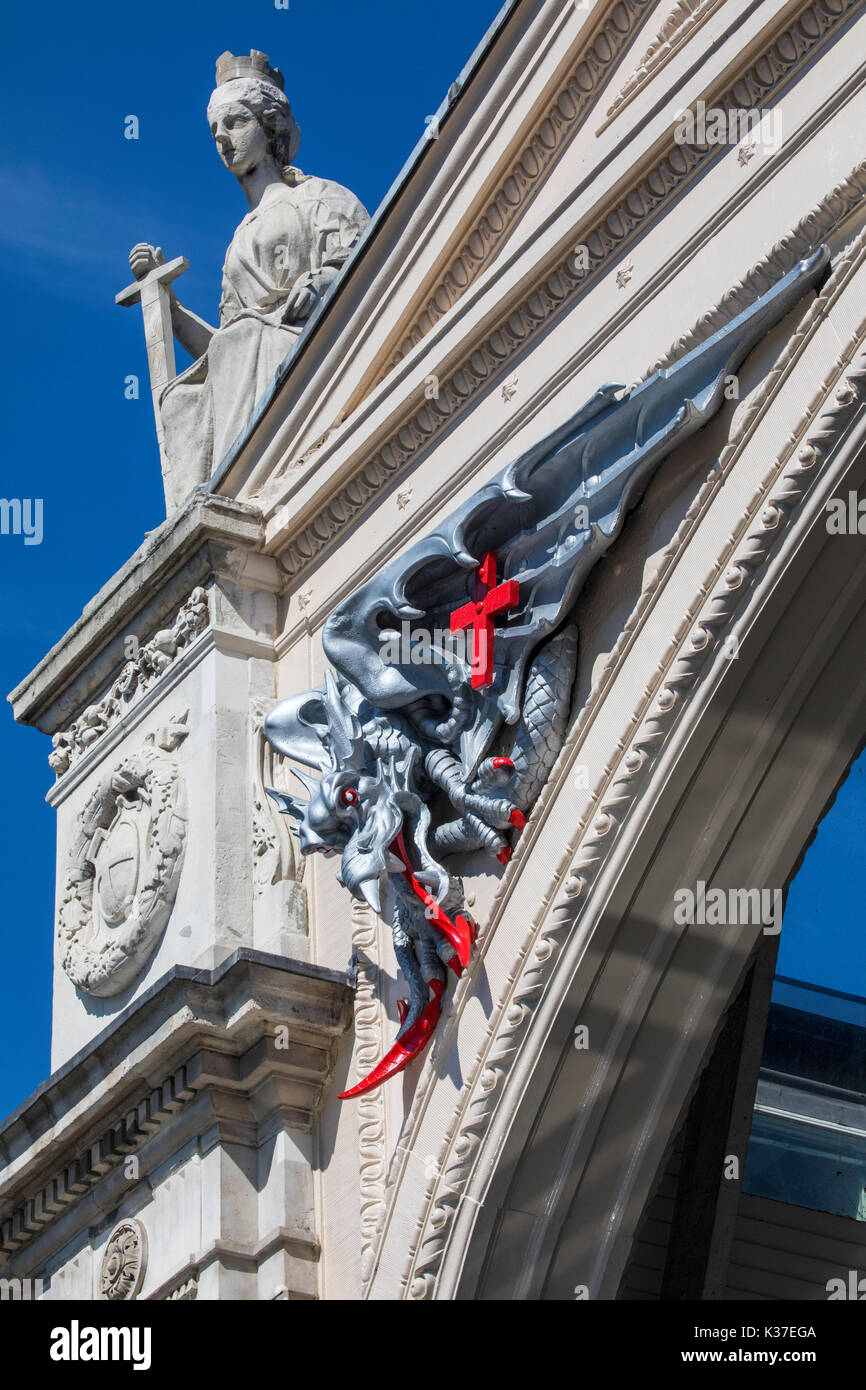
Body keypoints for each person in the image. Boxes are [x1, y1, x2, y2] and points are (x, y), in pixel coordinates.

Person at [128, 50, 369, 510]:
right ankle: (203, 518)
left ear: (270, 125)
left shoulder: (320, 198)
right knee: (180, 401)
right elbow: (219, 348)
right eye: (215, 130)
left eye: (235, 123)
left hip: (310, 347)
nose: (222, 139)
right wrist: (168, 307)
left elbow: (364, 273)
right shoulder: (238, 242)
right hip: (250, 351)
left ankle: (236, 489)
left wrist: (320, 285)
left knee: (242, 341)